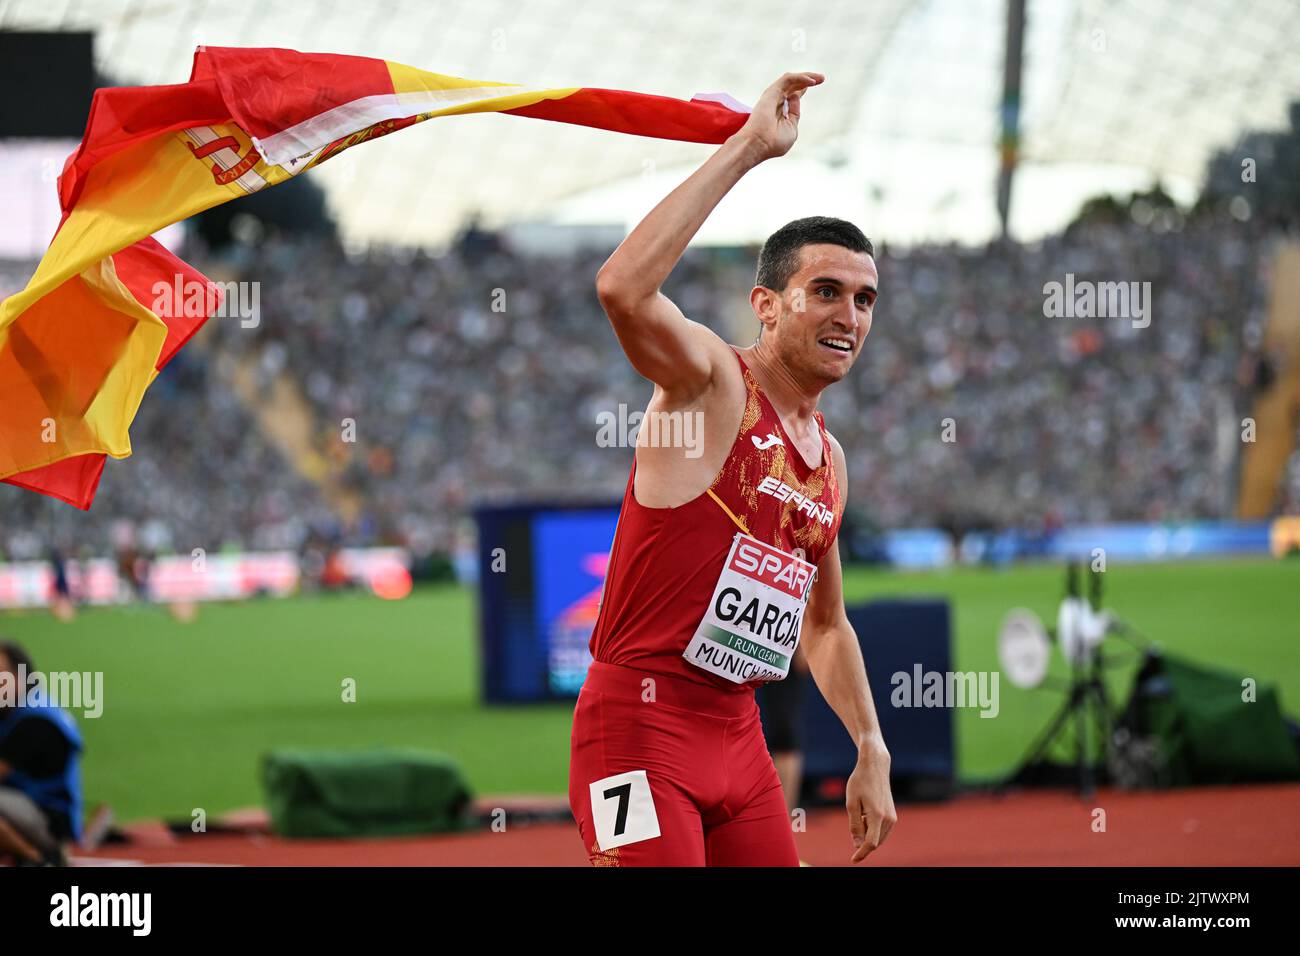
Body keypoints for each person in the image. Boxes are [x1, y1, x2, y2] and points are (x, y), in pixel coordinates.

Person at [568, 72, 896, 866]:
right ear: (766, 304)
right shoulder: (711, 385)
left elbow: (824, 626)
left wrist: (870, 744)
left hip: (739, 741)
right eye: (825, 291)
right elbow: (621, 287)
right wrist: (750, 147)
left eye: (864, 298)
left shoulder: (831, 462)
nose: (848, 315)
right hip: (634, 734)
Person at [0, 640, 83, 866]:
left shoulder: (35, 720)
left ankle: (38, 859)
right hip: (24, 805)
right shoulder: (13, 710)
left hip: (50, 818)